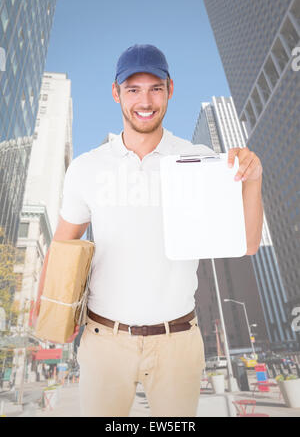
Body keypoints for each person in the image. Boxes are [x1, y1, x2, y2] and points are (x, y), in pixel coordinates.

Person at [33, 44, 263, 417]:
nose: (145, 100)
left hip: (178, 343)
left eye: (155, 88)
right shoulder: (87, 168)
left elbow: (250, 243)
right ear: (116, 93)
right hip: (104, 340)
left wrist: (254, 179)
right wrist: (46, 313)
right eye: (133, 89)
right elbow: (62, 243)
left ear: (170, 89)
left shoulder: (200, 160)